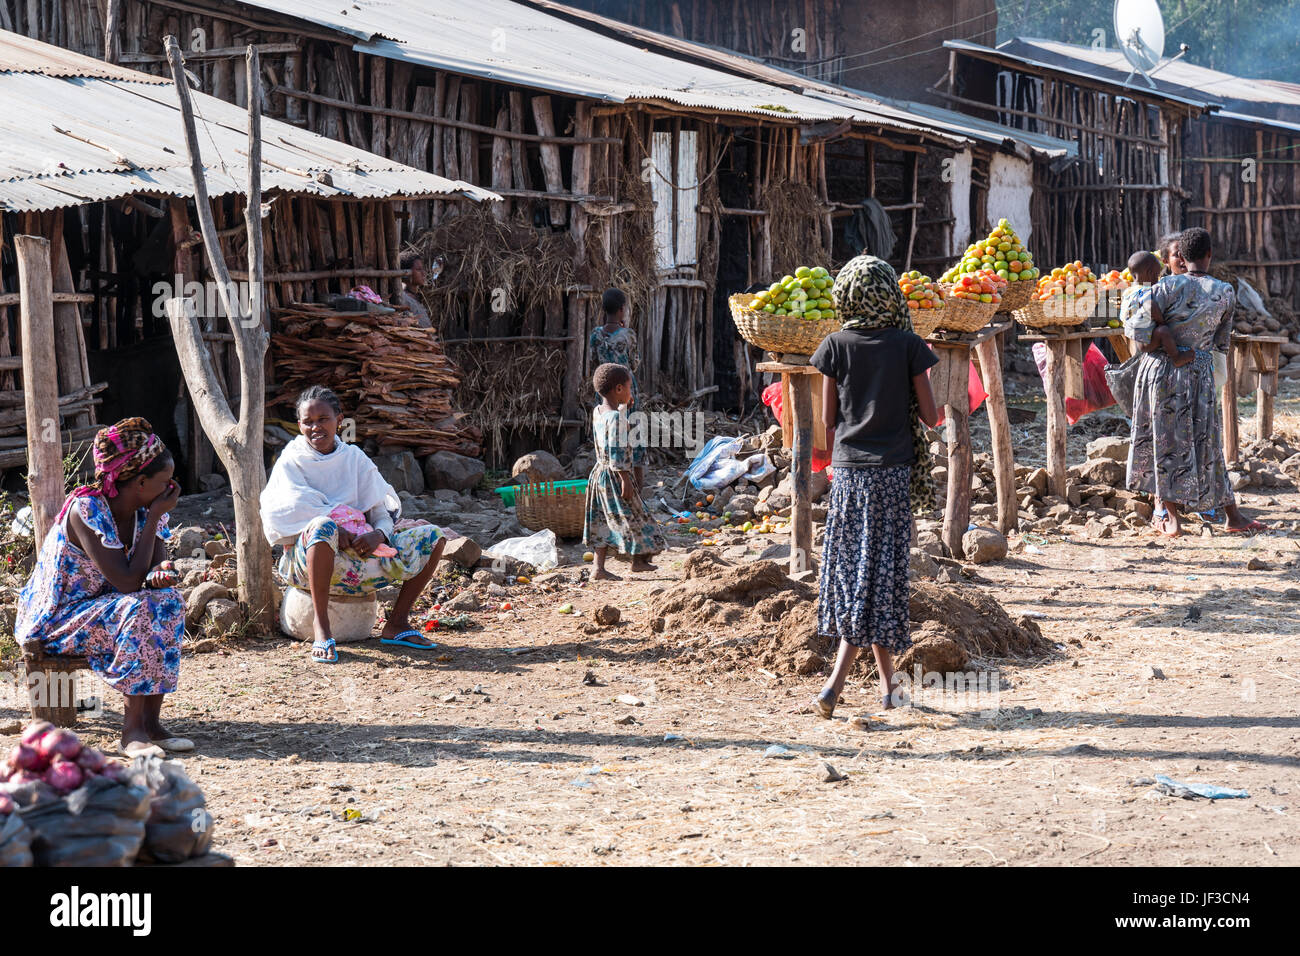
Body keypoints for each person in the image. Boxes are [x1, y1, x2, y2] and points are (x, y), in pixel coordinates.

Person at [807, 255, 939, 718]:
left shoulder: (834, 345)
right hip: (892, 476)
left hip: (847, 475)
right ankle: (835, 685)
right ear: (891, 295)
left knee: (859, 576)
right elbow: (931, 416)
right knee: (877, 581)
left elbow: (826, 421)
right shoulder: (908, 344)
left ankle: (889, 689)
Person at [15, 418, 189, 757]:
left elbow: (154, 570)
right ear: (140, 482)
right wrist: (154, 517)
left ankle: (152, 724)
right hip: (57, 620)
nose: (171, 489)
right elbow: (126, 582)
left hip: (103, 608)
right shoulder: (88, 511)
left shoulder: (143, 512)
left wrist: (163, 572)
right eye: (164, 482)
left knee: (168, 601)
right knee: (139, 607)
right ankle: (132, 732)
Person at [260, 386, 446, 662]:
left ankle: (396, 624)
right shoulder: (291, 461)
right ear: (299, 425)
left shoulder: (354, 459)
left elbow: (381, 511)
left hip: (360, 557)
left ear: (340, 420)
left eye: (323, 419)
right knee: (323, 525)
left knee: (434, 537)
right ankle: (322, 628)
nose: (316, 427)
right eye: (308, 422)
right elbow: (280, 512)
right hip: (308, 560)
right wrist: (335, 528)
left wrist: (378, 535)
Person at [1127, 228, 1257, 537]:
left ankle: (1171, 519)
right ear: (1210, 255)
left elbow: (1137, 328)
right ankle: (1232, 515)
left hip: (1161, 371)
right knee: (1207, 440)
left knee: (1164, 440)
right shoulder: (1226, 292)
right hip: (1200, 372)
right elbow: (1222, 342)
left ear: (1181, 258)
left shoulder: (1164, 287)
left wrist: (1162, 343)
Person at [583, 363, 665, 581]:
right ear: (619, 389)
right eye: (629, 388)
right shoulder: (617, 419)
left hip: (599, 473)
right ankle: (638, 561)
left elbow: (609, 436)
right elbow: (618, 451)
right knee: (636, 517)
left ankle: (599, 568)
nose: (631, 392)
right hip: (615, 477)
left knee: (602, 521)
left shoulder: (599, 412)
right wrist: (625, 480)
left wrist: (624, 411)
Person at [588, 288, 645, 489]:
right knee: (634, 433)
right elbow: (634, 363)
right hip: (627, 389)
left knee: (610, 433)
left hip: (605, 391)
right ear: (622, 310)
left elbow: (593, 362)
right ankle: (637, 485)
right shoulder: (628, 335)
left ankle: (612, 481)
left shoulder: (595, 335)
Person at [1121, 250, 1190, 366]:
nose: (1158, 279)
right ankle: (1177, 357)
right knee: (1164, 331)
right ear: (1149, 273)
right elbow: (1150, 306)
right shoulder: (1145, 291)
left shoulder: (1128, 292)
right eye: (1156, 275)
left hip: (1137, 339)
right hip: (1147, 342)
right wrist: (1161, 321)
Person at [396, 252, 432, 328]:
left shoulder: (416, 296)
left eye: (423, 269)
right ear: (407, 273)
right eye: (418, 270)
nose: (424, 273)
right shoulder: (403, 299)